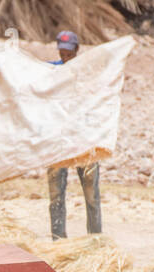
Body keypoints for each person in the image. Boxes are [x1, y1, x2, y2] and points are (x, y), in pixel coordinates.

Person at [46, 29, 102, 239]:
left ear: (77, 51)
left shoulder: (86, 72)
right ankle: (58, 240)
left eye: (69, 54)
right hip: (58, 142)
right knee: (56, 195)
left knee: (91, 195)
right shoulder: (52, 70)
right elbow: (25, 70)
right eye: (62, 53)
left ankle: (95, 239)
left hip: (84, 141)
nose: (65, 58)